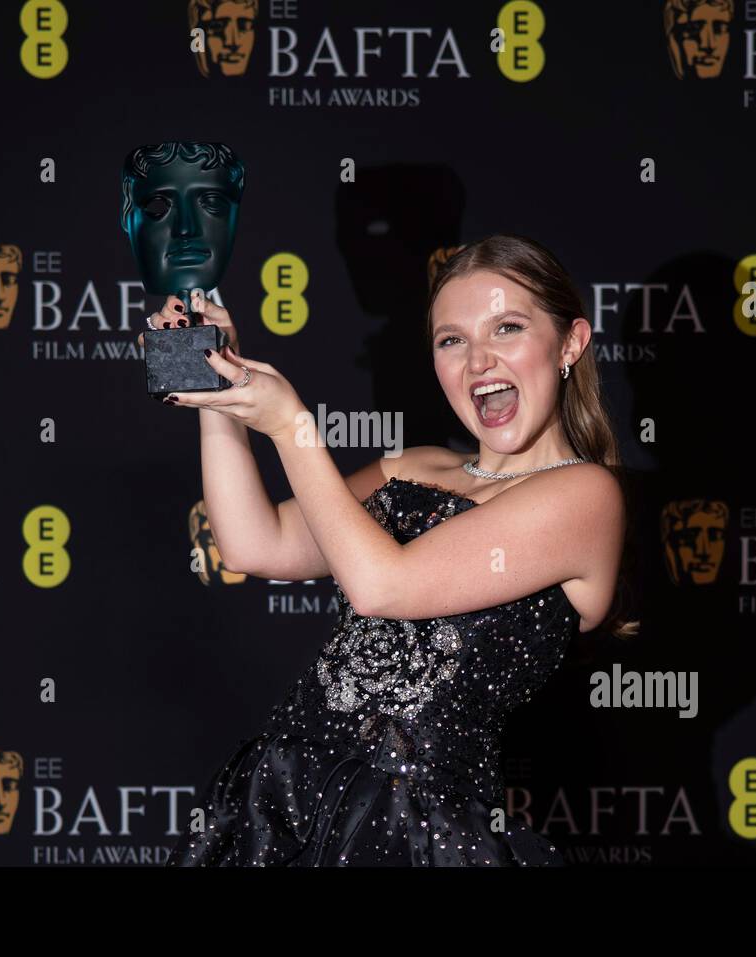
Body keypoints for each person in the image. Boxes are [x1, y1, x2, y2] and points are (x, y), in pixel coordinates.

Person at [159, 233, 634, 866]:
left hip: (411, 835)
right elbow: (255, 543)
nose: (479, 362)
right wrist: (219, 390)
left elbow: (383, 587)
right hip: (282, 807)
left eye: (508, 328)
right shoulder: (411, 467)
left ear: (570, 343)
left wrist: (291, 426)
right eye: (452, 340)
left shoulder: (584, 496)